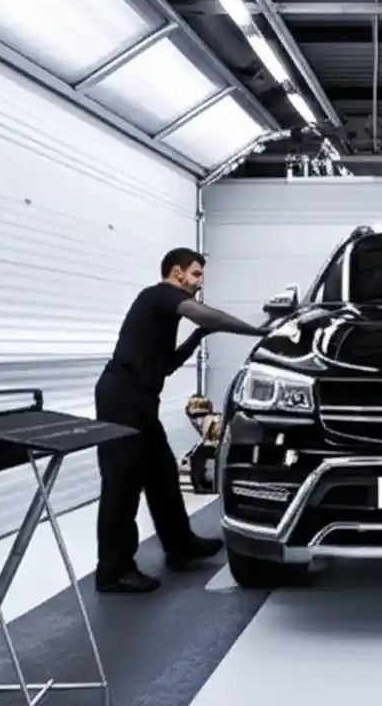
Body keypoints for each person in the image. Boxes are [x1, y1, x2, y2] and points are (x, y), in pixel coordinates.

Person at [94, 247, 268, 593]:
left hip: (139, 402)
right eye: (196, 275)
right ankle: (113, 571)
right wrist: (257, 332)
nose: (199, 284)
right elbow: (208, 316)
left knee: (161, 473)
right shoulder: (159, 295)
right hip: (121, 401)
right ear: (177, 274)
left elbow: (166, 365)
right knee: (122, 486)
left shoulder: (163, 311)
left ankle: (180, 545)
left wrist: (197, 337)